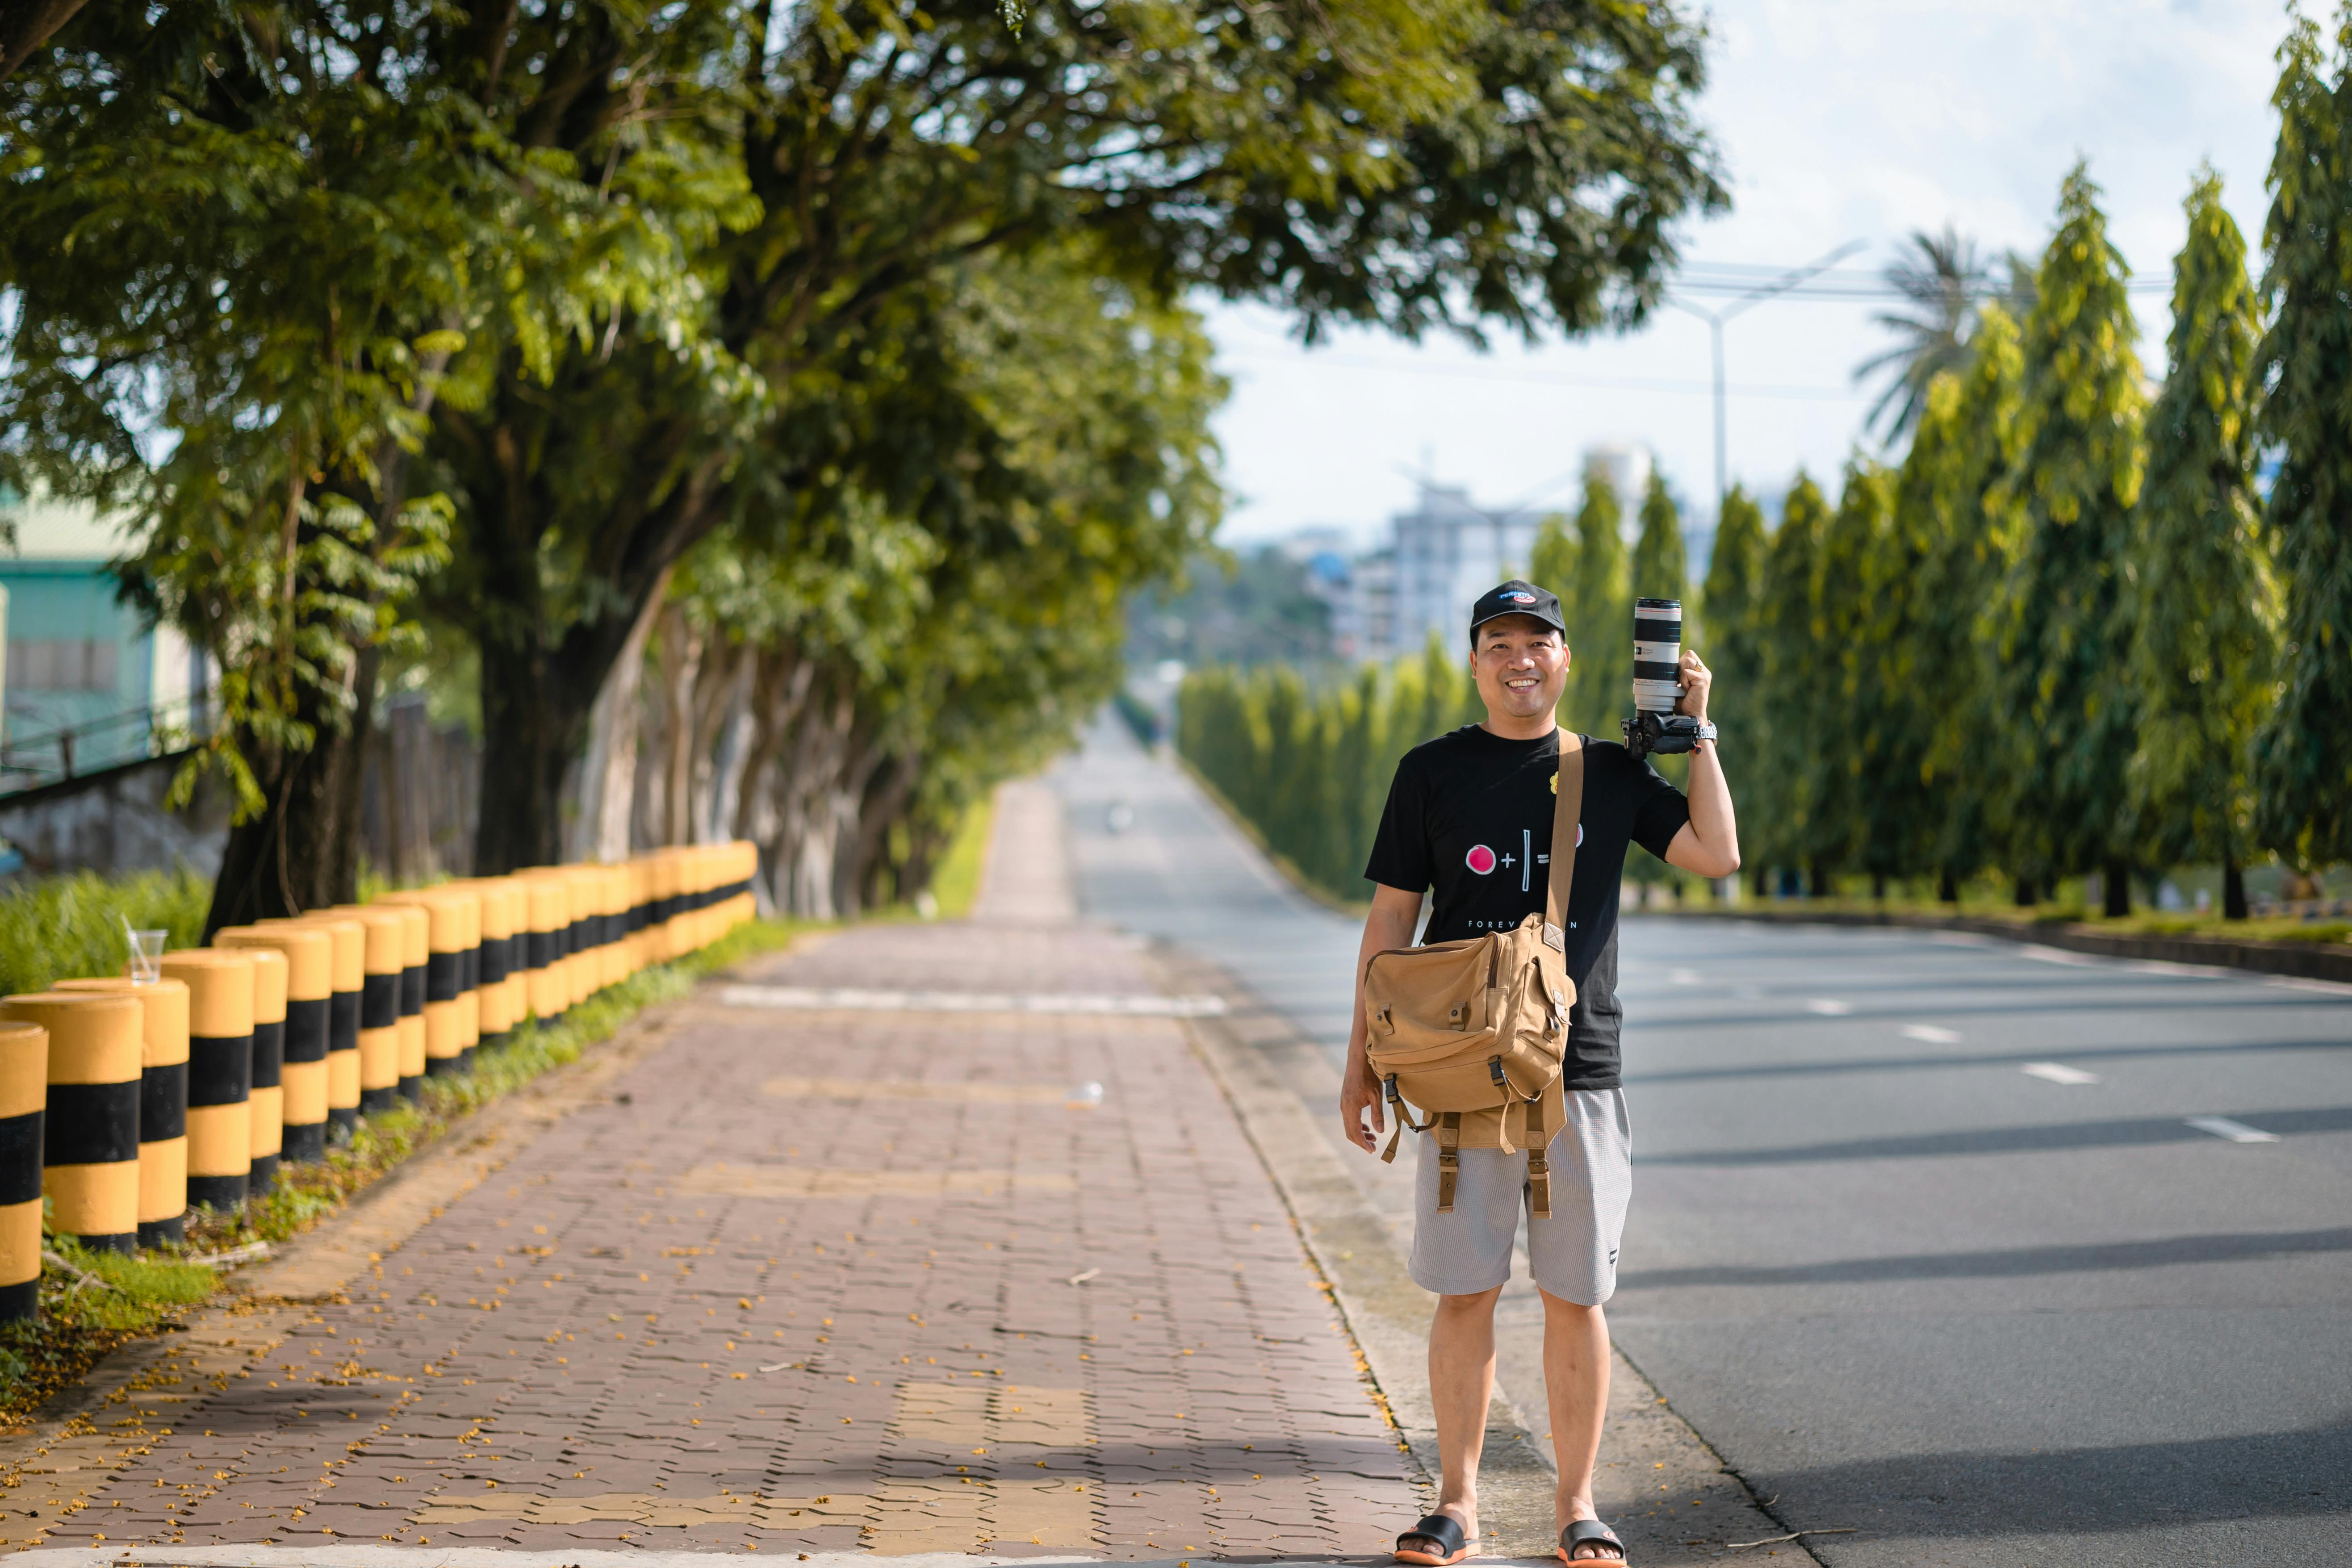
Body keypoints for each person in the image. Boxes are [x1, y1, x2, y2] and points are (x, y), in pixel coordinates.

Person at [1342, 581, 1739, 1567]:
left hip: (1580, 1071)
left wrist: (1698, 738)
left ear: (1566, 660)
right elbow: (1390, 922)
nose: (1519, 660)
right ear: (1475, 662)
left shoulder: (1607, 772)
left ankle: (1577, 1506)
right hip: (1456, 1073)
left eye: (1537, 643)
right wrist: (1361, 1065)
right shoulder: (1429, 772)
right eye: (1499, 644)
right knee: (1463, 1292)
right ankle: (1456, 1503)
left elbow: (1715, 854)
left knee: (1575, 1298)